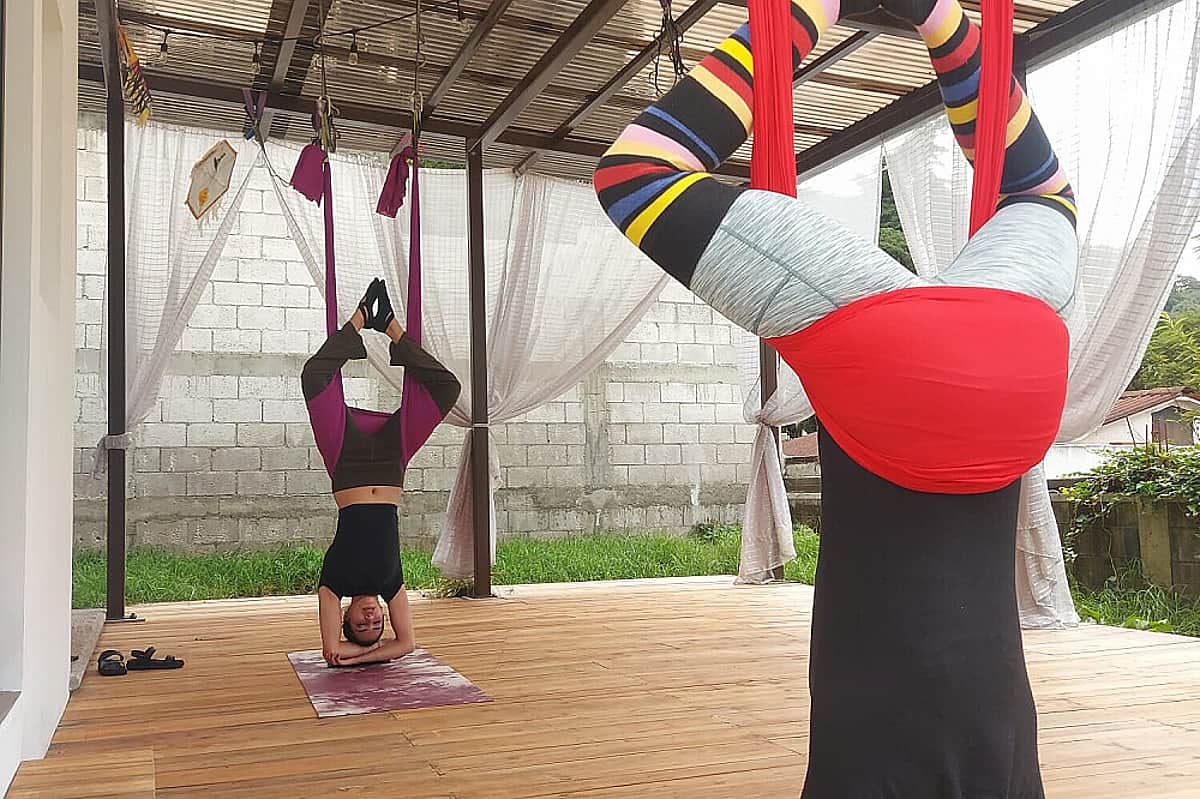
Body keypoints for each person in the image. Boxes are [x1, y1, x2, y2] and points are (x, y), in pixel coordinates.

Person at [595, 0, 1076, 795]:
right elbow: (634, 173)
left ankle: (935, 17)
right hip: (970, 354)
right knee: (641, 175)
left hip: (975, 354)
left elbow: (1039, 191)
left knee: (1043, 198)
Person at [301, 278, 460, 668]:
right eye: (377, 624)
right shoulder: (392, 584)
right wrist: (370, 654)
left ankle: (358, 319)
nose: (371, 618)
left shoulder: (333, 584)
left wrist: (354, 654)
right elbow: (406, 644)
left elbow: (332, 652)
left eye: (361, 624)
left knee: (313, 377)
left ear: (346, 617)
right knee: (448, 389)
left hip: (346, 459)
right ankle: (390, 326)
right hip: (393, 458)